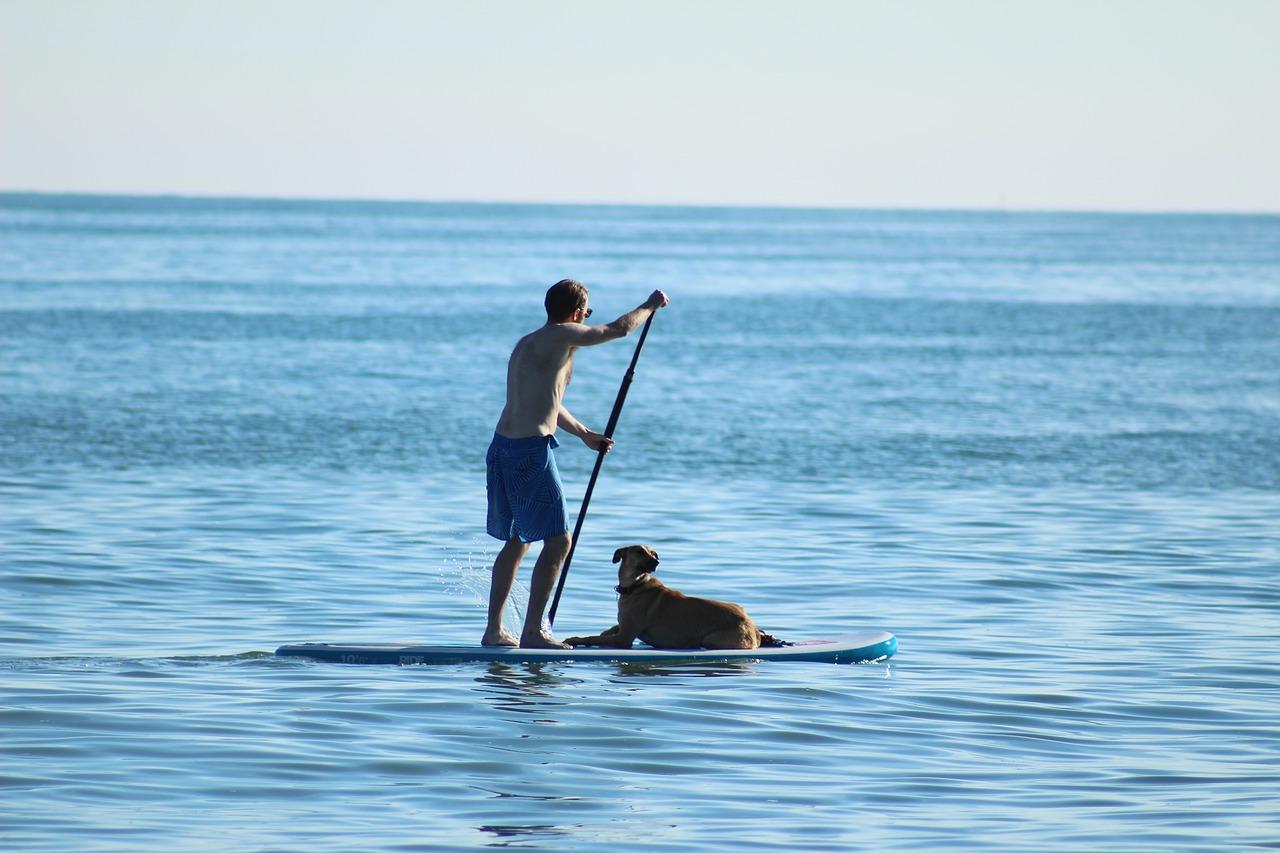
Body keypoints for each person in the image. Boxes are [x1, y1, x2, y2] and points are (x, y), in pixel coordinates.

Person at [483, 279, 669, 648]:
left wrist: (584, 433)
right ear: (575, 312)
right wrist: (649, 306)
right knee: (558, 542)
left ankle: (494, 632)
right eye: (586, 314)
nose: (586, 320)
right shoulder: (561, 335)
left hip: (502, 447)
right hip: (528, 452)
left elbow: (545, 403)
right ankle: (534, 633)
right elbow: (617, 329)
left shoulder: (528, 343)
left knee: (518, 541)